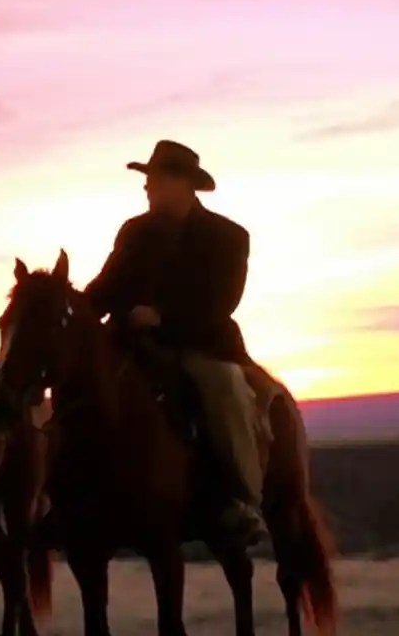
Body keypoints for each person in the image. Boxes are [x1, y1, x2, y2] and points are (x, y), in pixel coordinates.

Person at [82, 138, 268, 546]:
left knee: (225, 389)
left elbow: (222, 302)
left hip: (202, 343)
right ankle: (68, 495)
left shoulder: (228, 236)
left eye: (154, 180)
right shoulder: (135, 231)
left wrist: (163, 317)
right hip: (130, 343)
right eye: (147, 181)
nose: (146, 188)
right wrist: (73, 312)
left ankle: (242, 497)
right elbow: (108, 284)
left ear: (183, 183)